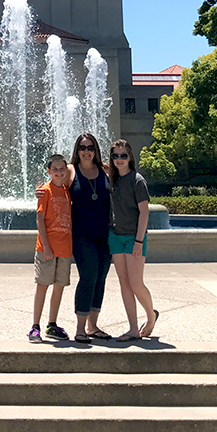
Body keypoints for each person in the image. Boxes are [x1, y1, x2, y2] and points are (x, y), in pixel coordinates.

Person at [108, 139, 158, 341]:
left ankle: (151, 316)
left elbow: (144, 212)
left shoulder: (137, 180)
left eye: (123, 155)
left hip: (134, 239)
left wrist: (139, 241)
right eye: (115, 156)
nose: (119, 159)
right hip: (115, 237)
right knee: (124, 284)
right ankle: (133, 328)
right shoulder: (112, 178)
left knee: (136, 283)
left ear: (130, 157)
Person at [67, 133, 112, 343]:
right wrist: (41, 192)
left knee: (101, 278)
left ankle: (93, 326)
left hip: (105, 234)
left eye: (90, 147)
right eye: (83, 147)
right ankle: (80, 328)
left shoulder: (105, 170)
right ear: (77, 150)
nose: (86, 151)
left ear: (96, 150)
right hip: (81, 234)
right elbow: (53, 189)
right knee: (88, 276)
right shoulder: (70, 170)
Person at [28, 153, 73, 342]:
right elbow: (40, 219)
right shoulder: (45, 191)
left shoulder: (67, 190)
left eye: (62, 169)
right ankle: (35, 326)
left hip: (65, 248)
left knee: (59, 286)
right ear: (49, 171)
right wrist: (46, 246)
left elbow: (74, 167)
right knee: (42, 286)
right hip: (46, 248)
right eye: (55, 170)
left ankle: (52, 325)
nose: (59, 172)